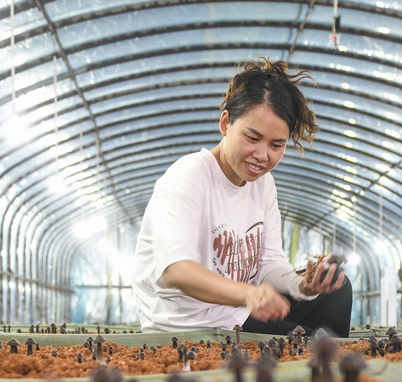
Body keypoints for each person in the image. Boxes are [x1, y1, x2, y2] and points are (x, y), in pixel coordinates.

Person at [132, 60, 352, 336]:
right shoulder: (188, 176)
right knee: (305, 341)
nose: (262, 155)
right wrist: (250, 295)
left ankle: (333, 374)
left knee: (338, 291)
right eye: (252, 137)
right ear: (225, 124)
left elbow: (270, 263)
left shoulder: (263, 185)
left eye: (276, 145)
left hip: (240, 312)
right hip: (193, 323)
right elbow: (176, 270)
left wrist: (303, 285)